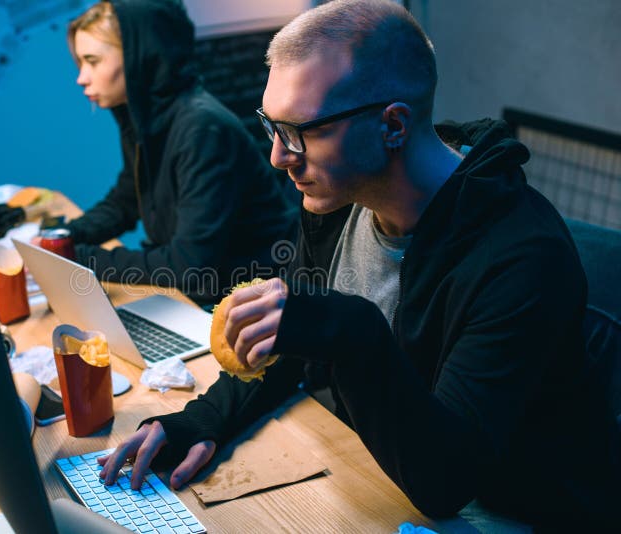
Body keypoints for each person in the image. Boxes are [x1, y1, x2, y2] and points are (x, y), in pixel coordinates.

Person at [96, 0, 620, 530]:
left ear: (392, 125)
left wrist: (351, 331)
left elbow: (447, 480)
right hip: (377, 460)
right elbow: (297, 340)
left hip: (503, 504)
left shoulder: (522, 258)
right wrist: (203, 420)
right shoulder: (337, 194)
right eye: (271, 126)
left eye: (299, 131)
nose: (278, 156)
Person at [62, 0, 297, 305]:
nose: (82, 77)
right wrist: (61, 237)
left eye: (92, 61)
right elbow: (124, 201)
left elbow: (189, 266)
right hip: (201, 294)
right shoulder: (146, 122)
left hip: (247, 302)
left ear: (138, 57)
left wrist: (82, 257)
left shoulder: (202, 129)